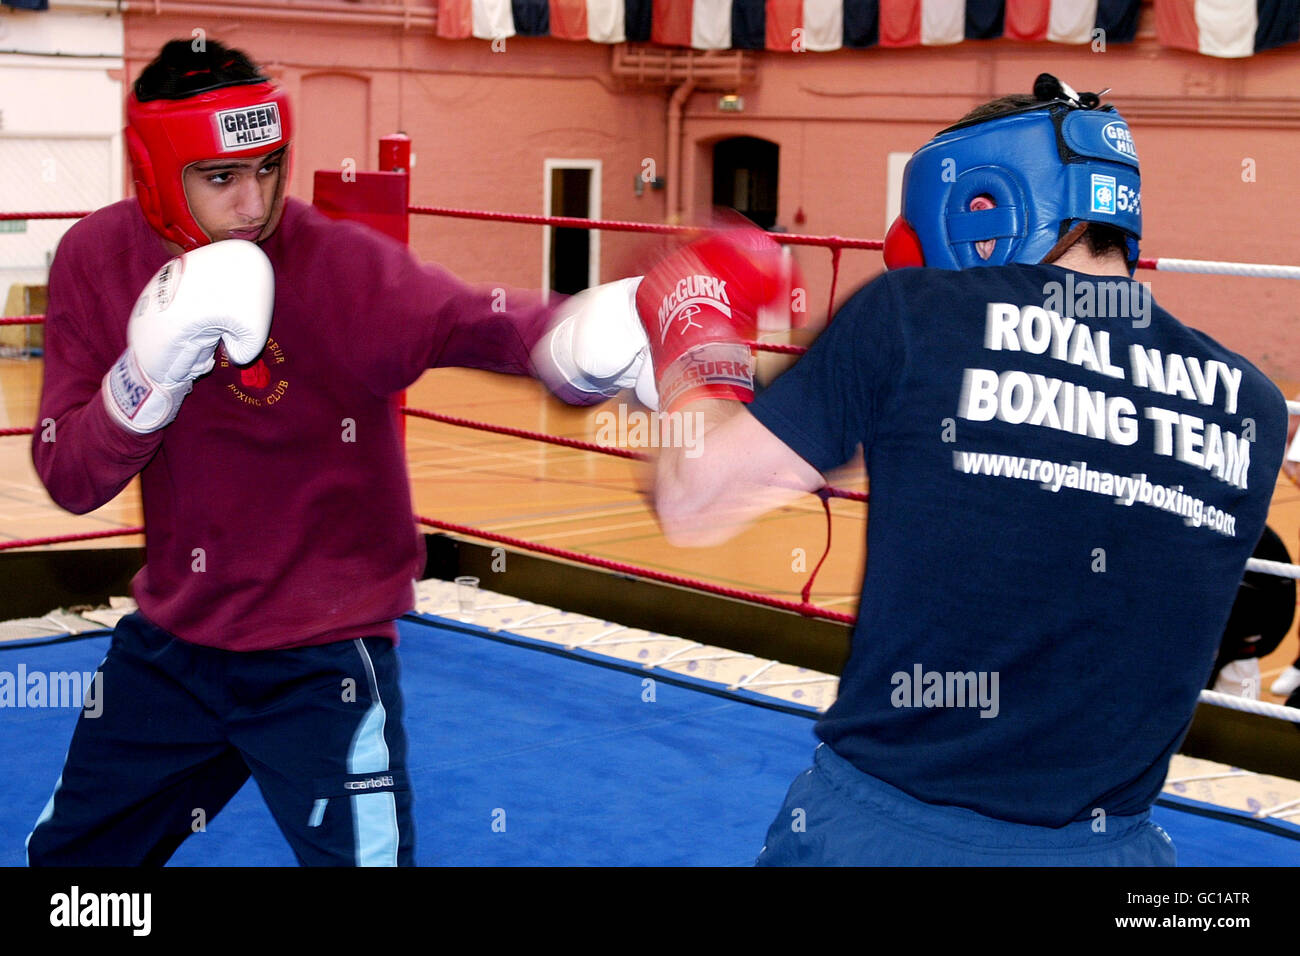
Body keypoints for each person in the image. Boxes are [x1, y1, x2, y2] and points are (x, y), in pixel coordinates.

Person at [25, 38, 769, 866]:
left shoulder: (334, 266)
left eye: (269, 168)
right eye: (222, 178)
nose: (253, 202)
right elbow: (69, 475)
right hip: (172, 649)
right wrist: (144, 383)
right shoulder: (97, 261)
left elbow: (474, 320)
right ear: (156, 172)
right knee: (71, 876)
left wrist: (598, 333)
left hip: (321, 661)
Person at [635, 75, 1288, 865]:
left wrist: (695, 325)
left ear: (987, 205)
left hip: (887, 836)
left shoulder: (914, 315)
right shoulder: (1251, 408)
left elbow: (693, 497)